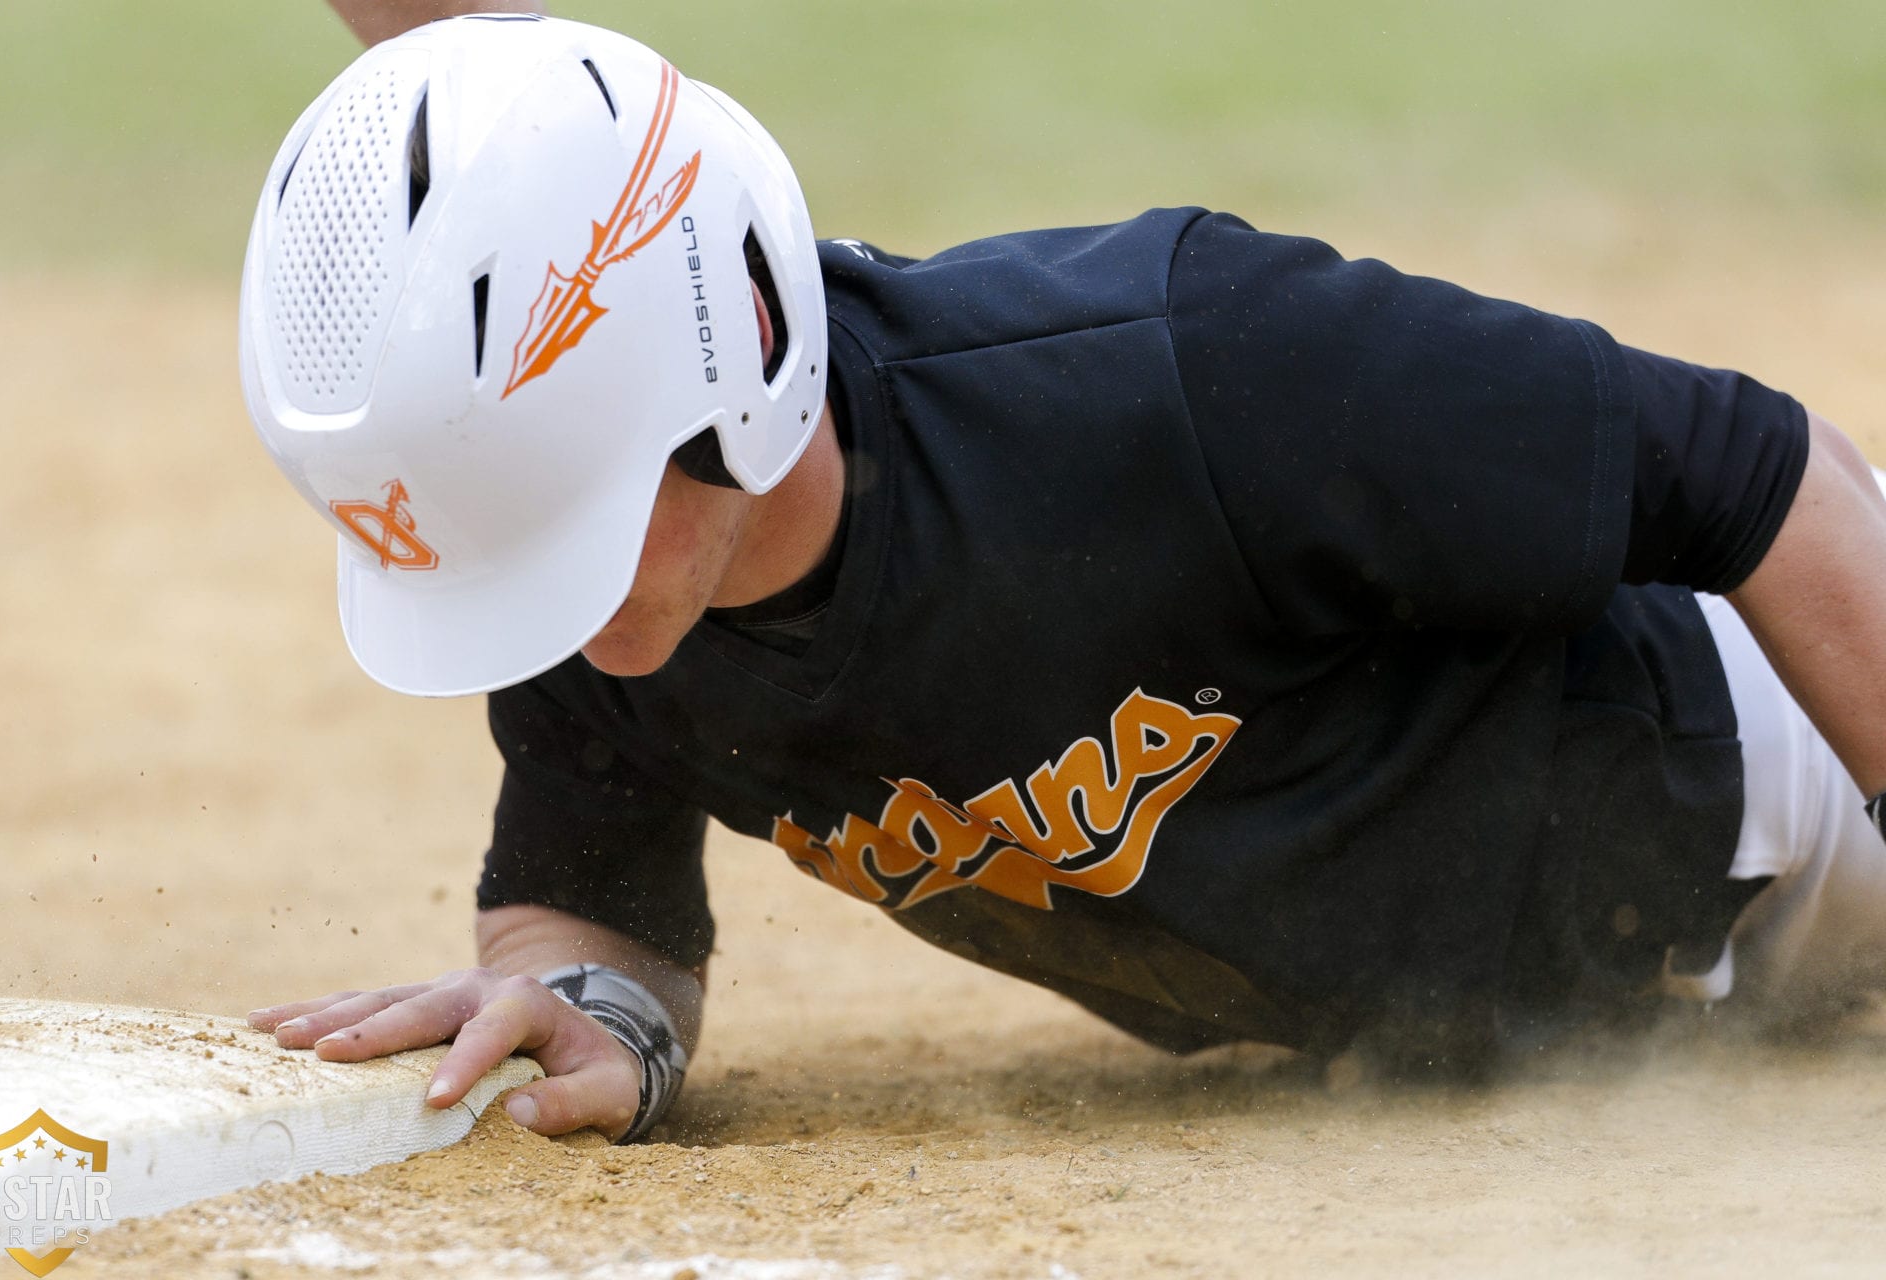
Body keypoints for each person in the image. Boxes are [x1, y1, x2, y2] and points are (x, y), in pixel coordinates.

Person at [242, 5, 1886, 1144]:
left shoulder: (1185, 366)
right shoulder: (579, 596)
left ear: (737, 358)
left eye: (567, 526)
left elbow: (1763, 477)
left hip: (1788, 788)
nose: (557, 615)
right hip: (1520, 1030)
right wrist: (590, 1006)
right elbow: (590, 902)